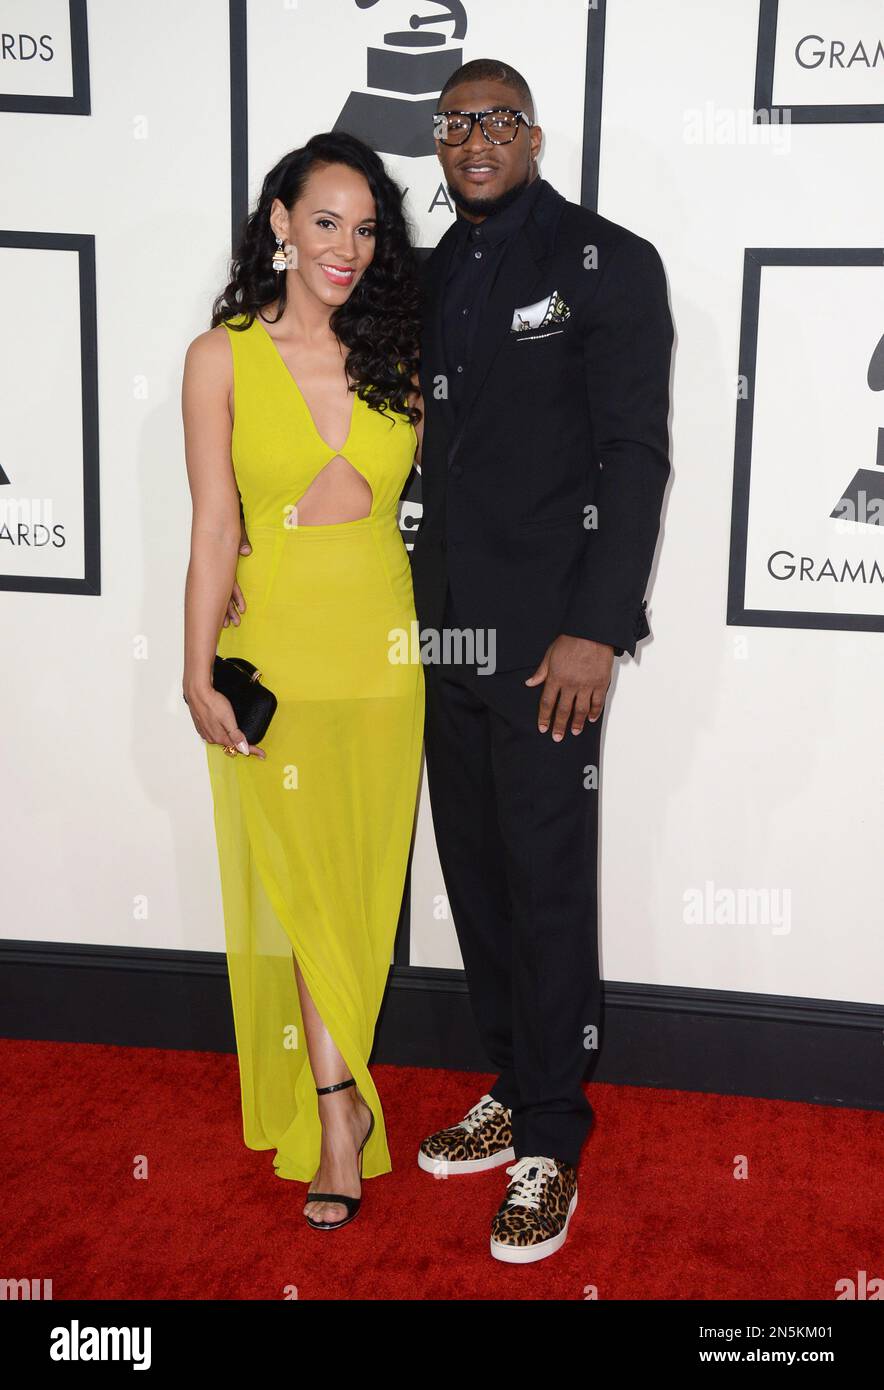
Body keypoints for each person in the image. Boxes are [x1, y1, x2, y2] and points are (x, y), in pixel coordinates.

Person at [411, 59, 675, 1264]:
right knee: (473, 870)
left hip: (549, 643)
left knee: (546, 878)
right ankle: (512, 1084)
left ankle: (551, 1142)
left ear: (532, 134)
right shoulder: (428, 271)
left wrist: (596, 625)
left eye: (497, 121)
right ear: (437, 135)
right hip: (442, 629)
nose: (476, 140)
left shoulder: (605, 262)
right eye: (457, 122)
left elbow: (633, 455)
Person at [181, 132, 424, 1231]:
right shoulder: (218, 356)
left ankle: (341, 1098)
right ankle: (337, 1115)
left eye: (367, 227)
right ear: (278, 220)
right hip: (274, 656)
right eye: (325, 221)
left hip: (380, 661)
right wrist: (195, 670)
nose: (348, 247)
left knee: (354, 898)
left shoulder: (399, 358)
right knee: (298, 894)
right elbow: (214, 526)